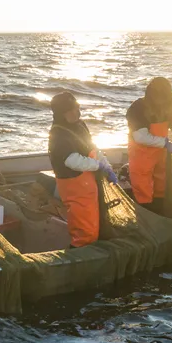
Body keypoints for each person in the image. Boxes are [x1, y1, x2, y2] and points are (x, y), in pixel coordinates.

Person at [49, 92, 118, 248]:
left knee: (96, 222)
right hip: (74, 186)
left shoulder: (80, 126)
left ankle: (94, 247)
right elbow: (72, 160)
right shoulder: (58, 134)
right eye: (71, 110)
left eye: (77, 108)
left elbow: (93, 148)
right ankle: (79, 252)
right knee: (83, 228)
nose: (76, 113)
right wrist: (97, 166)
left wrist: (106, 166)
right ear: (61, 113)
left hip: (89, 184)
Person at [126, 77, 172, 214]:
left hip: (161, 153)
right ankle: (145, 215)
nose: (161, 103)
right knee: (142, 187)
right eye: (159, 98)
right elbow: (140, 137)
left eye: (165, 98)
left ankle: (160, 212)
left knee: (162, 185)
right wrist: (166, 144)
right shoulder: (137, 108)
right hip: (141, 154)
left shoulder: (171, 104)